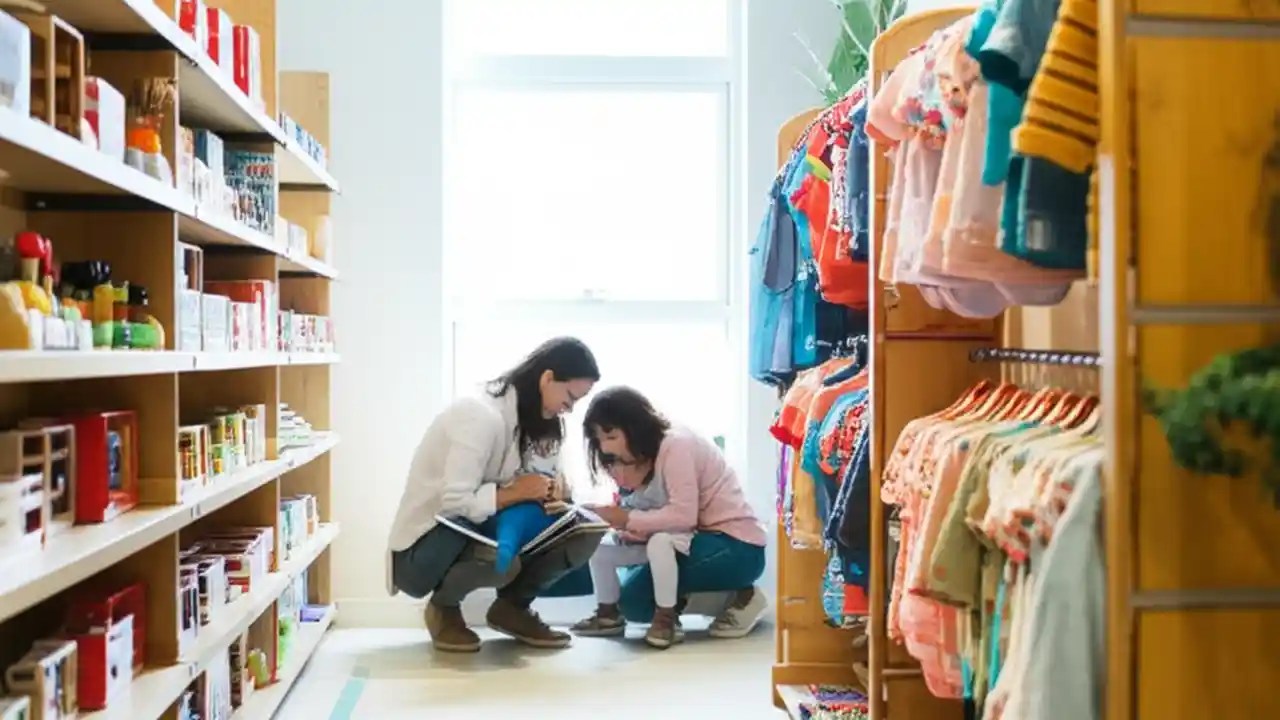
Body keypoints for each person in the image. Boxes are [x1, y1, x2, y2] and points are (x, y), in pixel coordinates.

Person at [386, 337, 603, 653]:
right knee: (505, 561)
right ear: (546, 378)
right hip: (425, 549)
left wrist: (556, 490)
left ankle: (512, 609)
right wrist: (512, 494)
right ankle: (443, 608)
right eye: (570, 397)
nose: (569, 409)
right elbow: (455, 504)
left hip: (483, 526)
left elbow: (543, 474)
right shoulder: (479, 416)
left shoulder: (540, 421)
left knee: (584, 530)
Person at [566, 386, 769, 643]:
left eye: (611, 436)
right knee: (633, 603)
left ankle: (739, 597)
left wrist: (626, 519)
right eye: (598, 439)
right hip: (691, 540)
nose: (605, 448)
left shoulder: (675, 445)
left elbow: (683, 516)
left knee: (656, 552)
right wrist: (620, 523)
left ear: (633, 426)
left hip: (735, 545)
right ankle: (612, 614)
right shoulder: (635, 457)